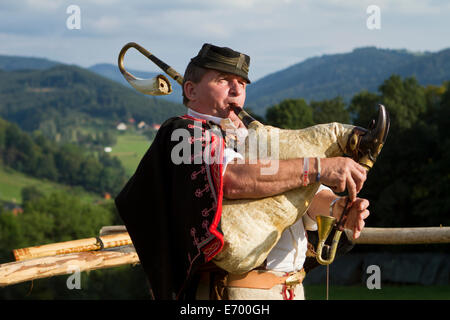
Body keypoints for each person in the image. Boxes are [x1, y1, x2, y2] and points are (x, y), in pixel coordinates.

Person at [115, 43, 373, 300]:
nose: (236, 89)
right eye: (223, 80)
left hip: (292, 288)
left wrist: (336, 208)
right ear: (191, 90)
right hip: (234, 291)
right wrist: (318, 167)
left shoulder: (255, 138)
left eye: (242, 83)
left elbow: (304, 195)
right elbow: (234, 179)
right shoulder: (184, 134)